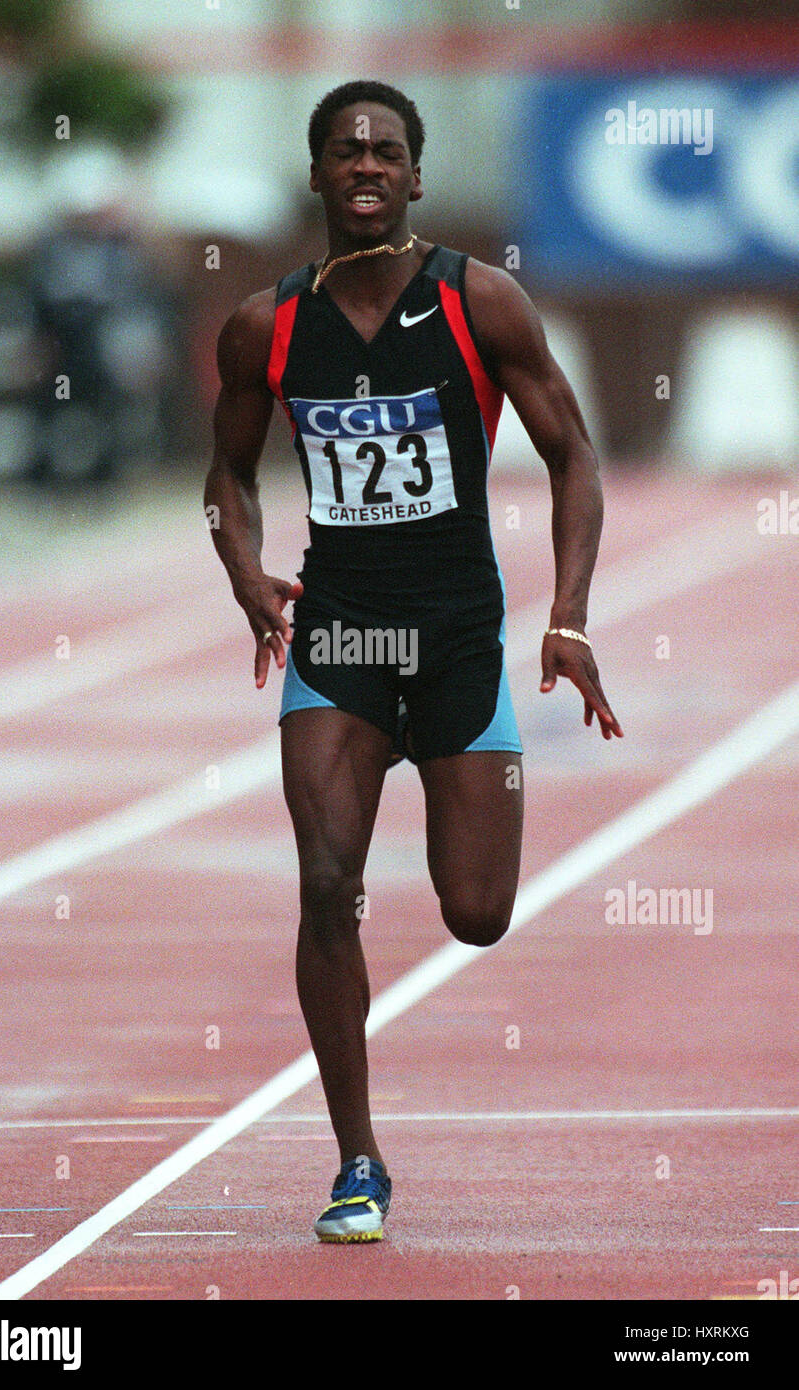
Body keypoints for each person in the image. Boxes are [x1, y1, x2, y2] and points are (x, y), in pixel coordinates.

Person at [204, 79, 622, 1244]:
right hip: (339, 637)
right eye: (345, 150)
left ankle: (369, 1124)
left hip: (453, 642)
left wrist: (570, 613)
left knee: (476, 911)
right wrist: (242, 569)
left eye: (387, 149)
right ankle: (355, 1159)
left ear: (416, 176)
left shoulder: (478, 303)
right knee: (325, 881)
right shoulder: (267, 326)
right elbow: (227, 475)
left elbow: (574, 456)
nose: (367, 164)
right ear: (318, 175)